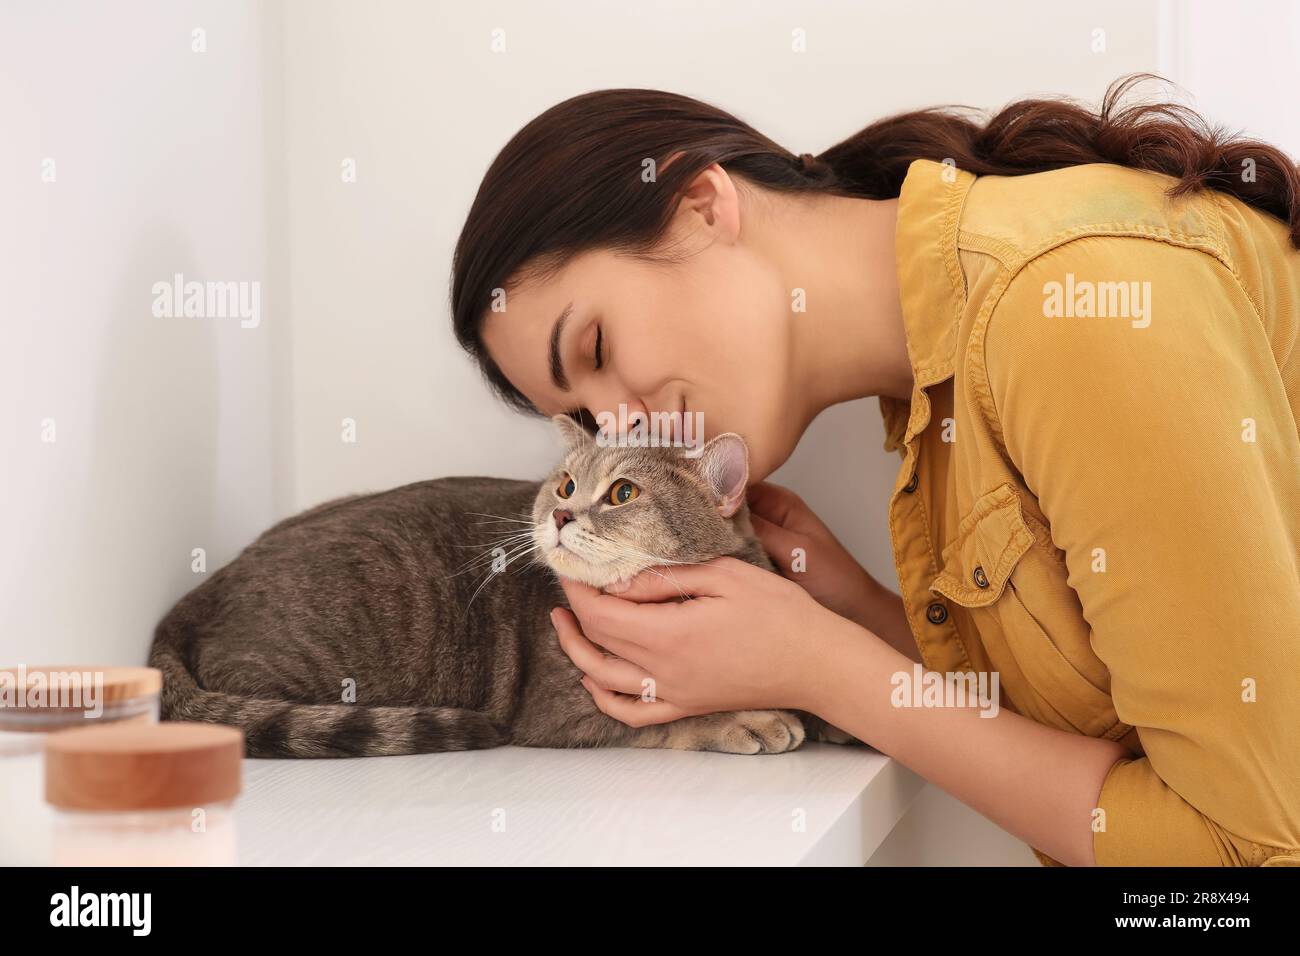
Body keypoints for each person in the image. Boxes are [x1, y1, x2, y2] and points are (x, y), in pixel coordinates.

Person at [449, 76, 1300, 866]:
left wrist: (823, 668)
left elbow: (1239, 864)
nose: (626, 425)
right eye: (592, 421)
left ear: (701, 205)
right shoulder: (938, 396)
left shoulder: (1064, 300)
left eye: (597, 347)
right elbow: (1122, 736)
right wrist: (850, 612)